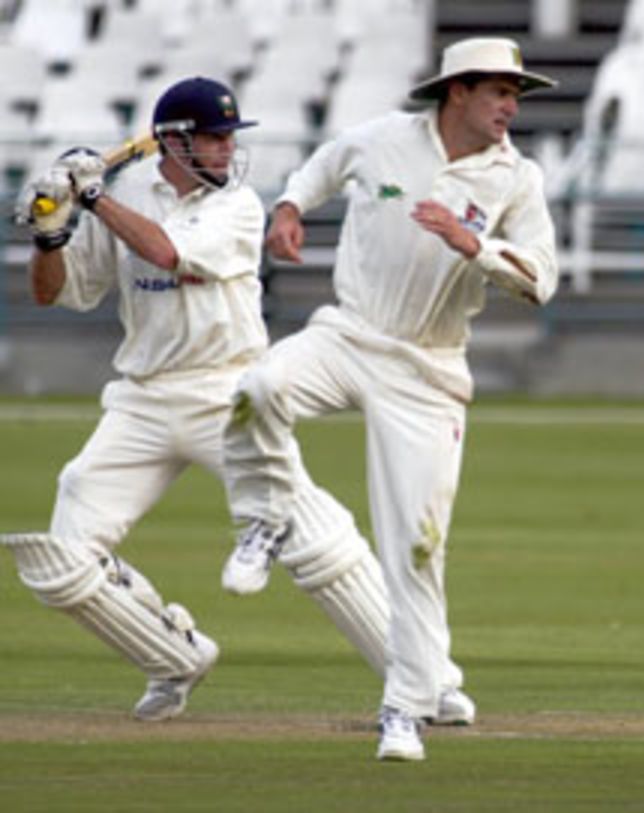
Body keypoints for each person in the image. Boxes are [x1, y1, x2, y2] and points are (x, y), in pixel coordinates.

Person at [0, 76, 391, 722]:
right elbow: (55, 292)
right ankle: (174, 657)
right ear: (174, 144)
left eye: (228, 138)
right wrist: (50, 230)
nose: (225, 151)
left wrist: (91, 197)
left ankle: (420, 681)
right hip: (143, 398)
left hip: (227, 392)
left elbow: (166, 250)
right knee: (62, 560)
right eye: (212, 138)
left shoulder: (238, 207)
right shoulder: (126, 192)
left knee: (311, 536)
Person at [220, 37, 560, 761]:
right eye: (499, 91)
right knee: (256, 389)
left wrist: (477, 249)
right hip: (349, 334)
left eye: (516, 93)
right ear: (457, 92)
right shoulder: (381, 139)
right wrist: (289, 206)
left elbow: (543, 279)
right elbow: (322, 165)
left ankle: (407, 705)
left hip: (428, 370)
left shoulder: (515, 179)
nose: (511, 105)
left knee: (415, 546)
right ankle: (266, 517)